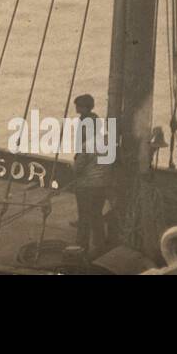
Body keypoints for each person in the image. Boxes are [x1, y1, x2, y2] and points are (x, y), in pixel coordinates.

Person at [72, 93, 110, 256]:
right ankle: (100, 247)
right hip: (101, 184)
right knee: (96, 215)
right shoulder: (105, 142)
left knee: (84, 216)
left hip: (86, 185)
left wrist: (74, 166)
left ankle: (81, 247)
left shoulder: (87, 144)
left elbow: (78, 168)